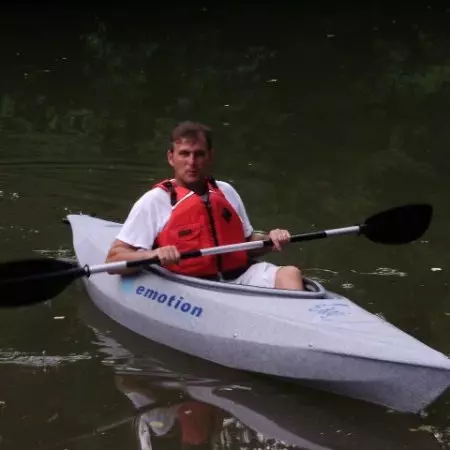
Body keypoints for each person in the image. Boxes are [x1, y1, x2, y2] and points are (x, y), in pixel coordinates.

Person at [105, 121, 304, 290]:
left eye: (199, 154)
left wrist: (270, 239)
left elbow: (248, 242)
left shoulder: (226, 191)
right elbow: (113, 260)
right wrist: (154, 254)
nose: (192, 162)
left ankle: (298, 327)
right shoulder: (154, 201)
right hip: (190, 285)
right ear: (171, 157)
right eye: (184, 154)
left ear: (209, 156)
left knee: (290, 274)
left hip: (238, 276)